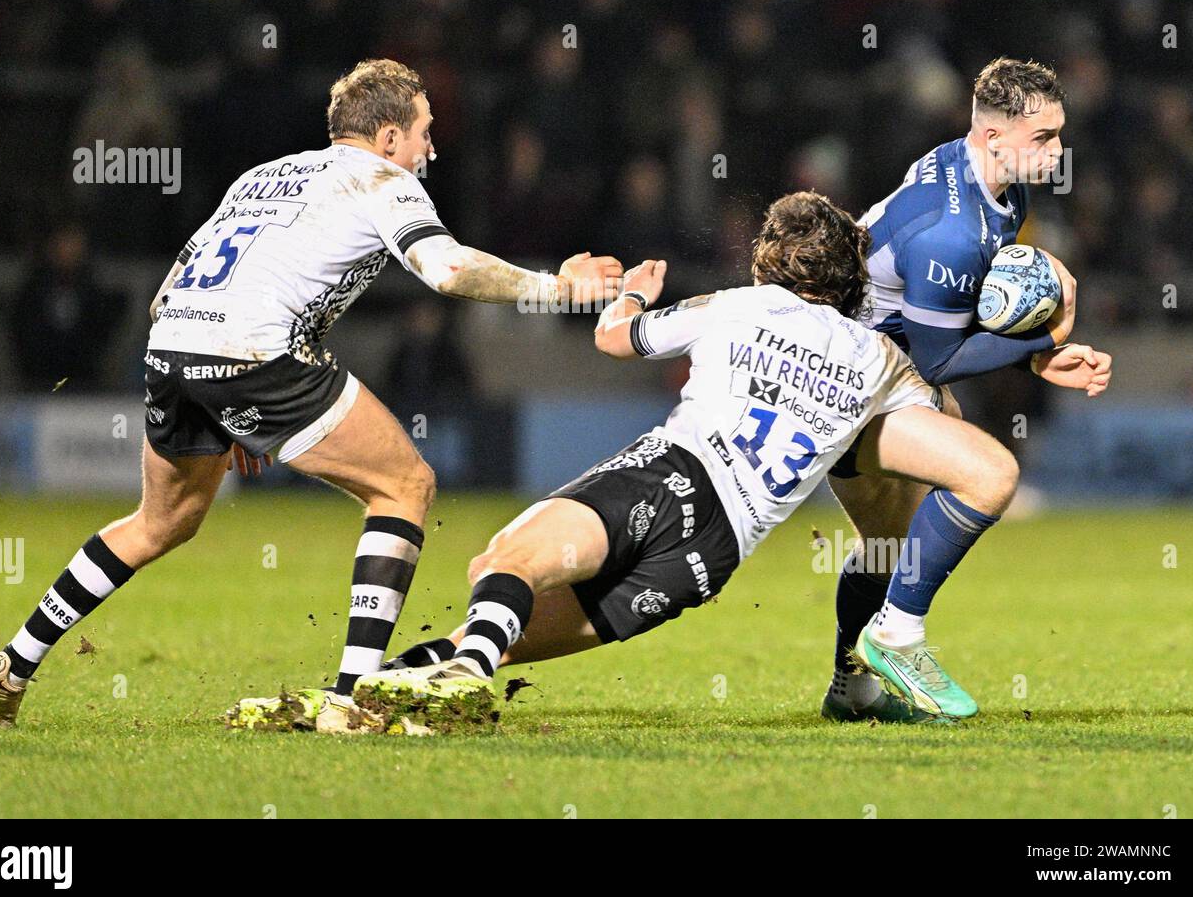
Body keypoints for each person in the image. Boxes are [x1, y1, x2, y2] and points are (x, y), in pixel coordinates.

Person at [0, 58, 622, 728]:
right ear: (389, 137)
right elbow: (447, 271)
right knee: (405, 486)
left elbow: (166, 293)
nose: (431, 149)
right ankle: (350, 699)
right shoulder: (383, 179)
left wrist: (225, 407)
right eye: (424, 132)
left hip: (172, 344)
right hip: (253, 350)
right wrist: (556, 288)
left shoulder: (263, 175)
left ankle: (9, 665)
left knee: (161, 522)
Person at [354, 191, 1022, 729]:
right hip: (710, 557)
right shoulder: (879, 359)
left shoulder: (739, 305)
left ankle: (431, 676)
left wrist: (634, 295)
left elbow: (614, 339)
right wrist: (1021, 344)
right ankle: (387, 692)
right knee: (503, 636)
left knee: (502, 563)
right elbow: (939, 414)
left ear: (770, 261)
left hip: (672, 479)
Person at [819, 57, 1112, 723]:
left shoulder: (990, 180)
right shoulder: (949, 231)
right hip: (842, 382)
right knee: (991, 476)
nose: (1057, 153)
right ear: (993, 135)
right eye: (1044, 138)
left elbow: (955, 310)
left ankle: (850, 687)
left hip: (868, 366)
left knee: (888, 543)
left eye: (1059, 135)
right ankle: (897, 635)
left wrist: (1035, 354)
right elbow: (942, 358)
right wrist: (1043, 343)